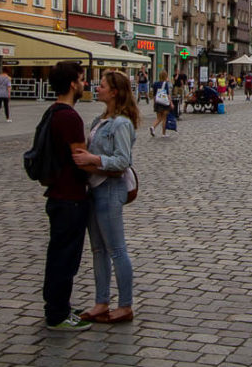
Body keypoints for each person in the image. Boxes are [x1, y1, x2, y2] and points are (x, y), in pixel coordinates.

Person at [72, 71, 138, 324]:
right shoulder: (100, 120)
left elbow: (123, 160)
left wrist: (93, 159)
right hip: (95, 188)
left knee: (117, 249)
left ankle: (125, 305)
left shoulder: (121, 123)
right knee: (98, 249)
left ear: (114, 92)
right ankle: (101, 302)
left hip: (111, 188)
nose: (96, 88)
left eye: (101, 85)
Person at [41, 61, 92, 331]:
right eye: (82, 79)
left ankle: (57, 306)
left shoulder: (52, 112)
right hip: (70, 196)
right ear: (73, 84)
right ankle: (58, 314)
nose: (85, 84)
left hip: (58, 195)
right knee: (66, 258)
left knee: (58, 254)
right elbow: (81, 159)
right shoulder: (70, 117)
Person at [149, 71, 173, 137]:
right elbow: (168, 95)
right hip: (164, 103)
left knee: (159, 118)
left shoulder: (155, 84)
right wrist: (171, 103)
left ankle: (153, 127)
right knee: (164, 118)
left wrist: (155, 103)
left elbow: (154, 95)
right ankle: (163, 133)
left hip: (158, 102)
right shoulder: (165, 84)